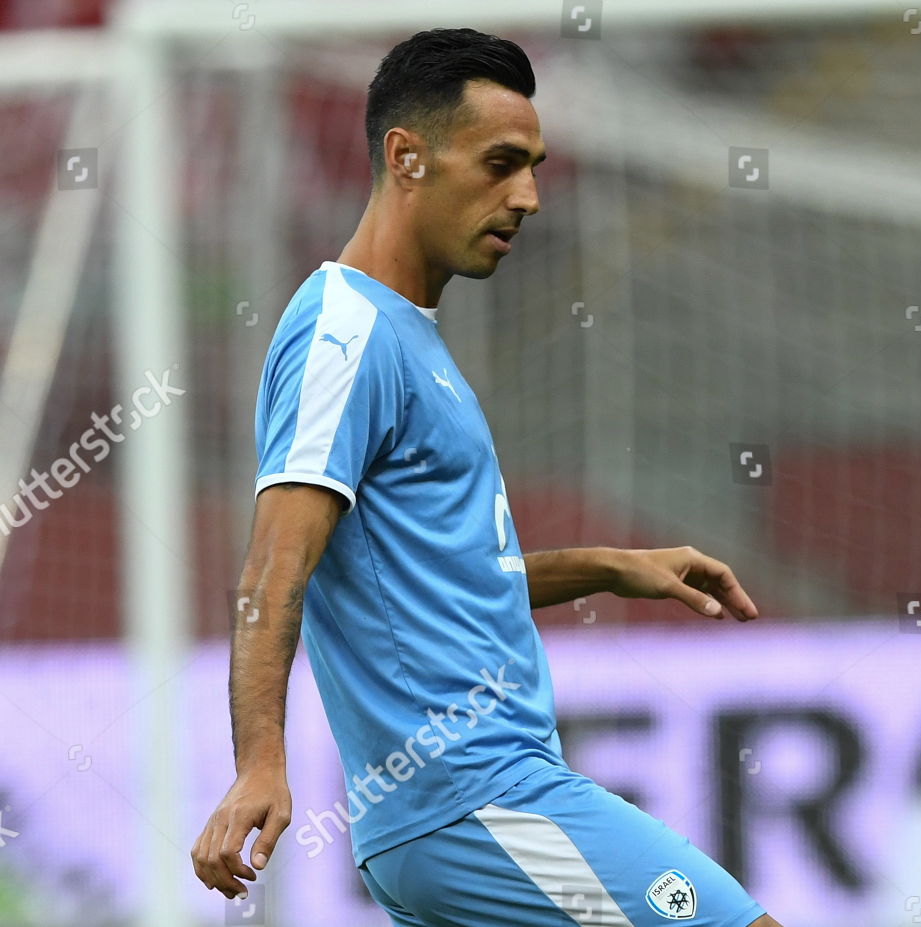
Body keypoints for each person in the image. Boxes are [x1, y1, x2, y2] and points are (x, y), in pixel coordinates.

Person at [190, 28, 782, 927]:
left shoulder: (405, 332)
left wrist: (610, 565)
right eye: (501, 163)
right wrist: (260, 762)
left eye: (536, 166)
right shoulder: (343, 336)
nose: (530, 196)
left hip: (442, 821)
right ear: (407, 157)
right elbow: (275, 569)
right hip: (475, 798)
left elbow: (434, 578)